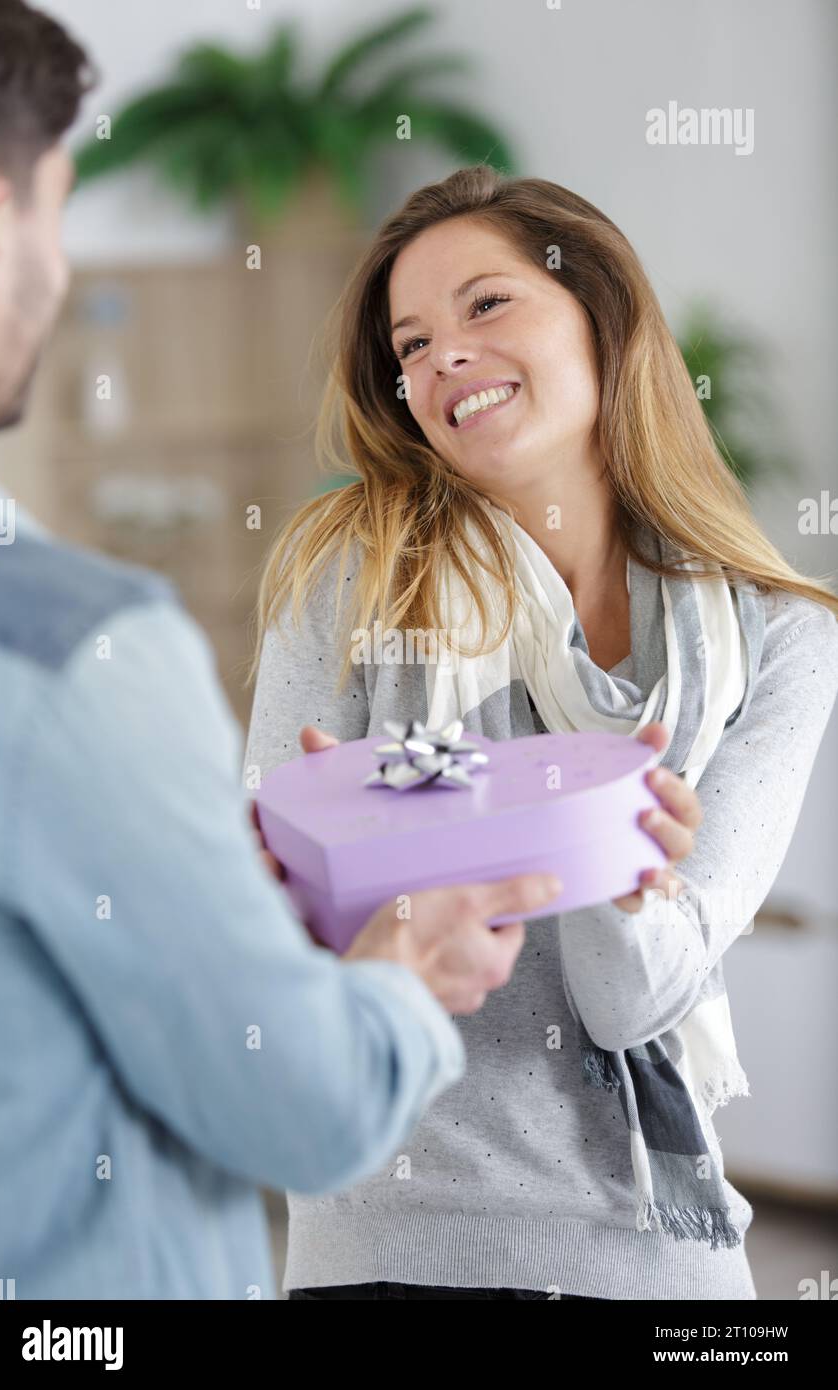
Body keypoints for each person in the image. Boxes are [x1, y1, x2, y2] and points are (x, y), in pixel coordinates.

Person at [0, 0, 562, 1301]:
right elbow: (302, 1100)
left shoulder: (760, 620)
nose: (443, 357)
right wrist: (395, 957)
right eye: (61, 214)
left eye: (487, 304)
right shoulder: (80, 655)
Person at [245, 165, 838, 1300]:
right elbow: (267, 949)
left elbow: (628, 1004)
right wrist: (324, 855)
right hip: (386, 1250)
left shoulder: (780, 639)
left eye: (484, 304)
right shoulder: (354, 576)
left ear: (601, 317)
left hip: (654, 1257)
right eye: (407, 345)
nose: (437, 358)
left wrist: (615, 869)